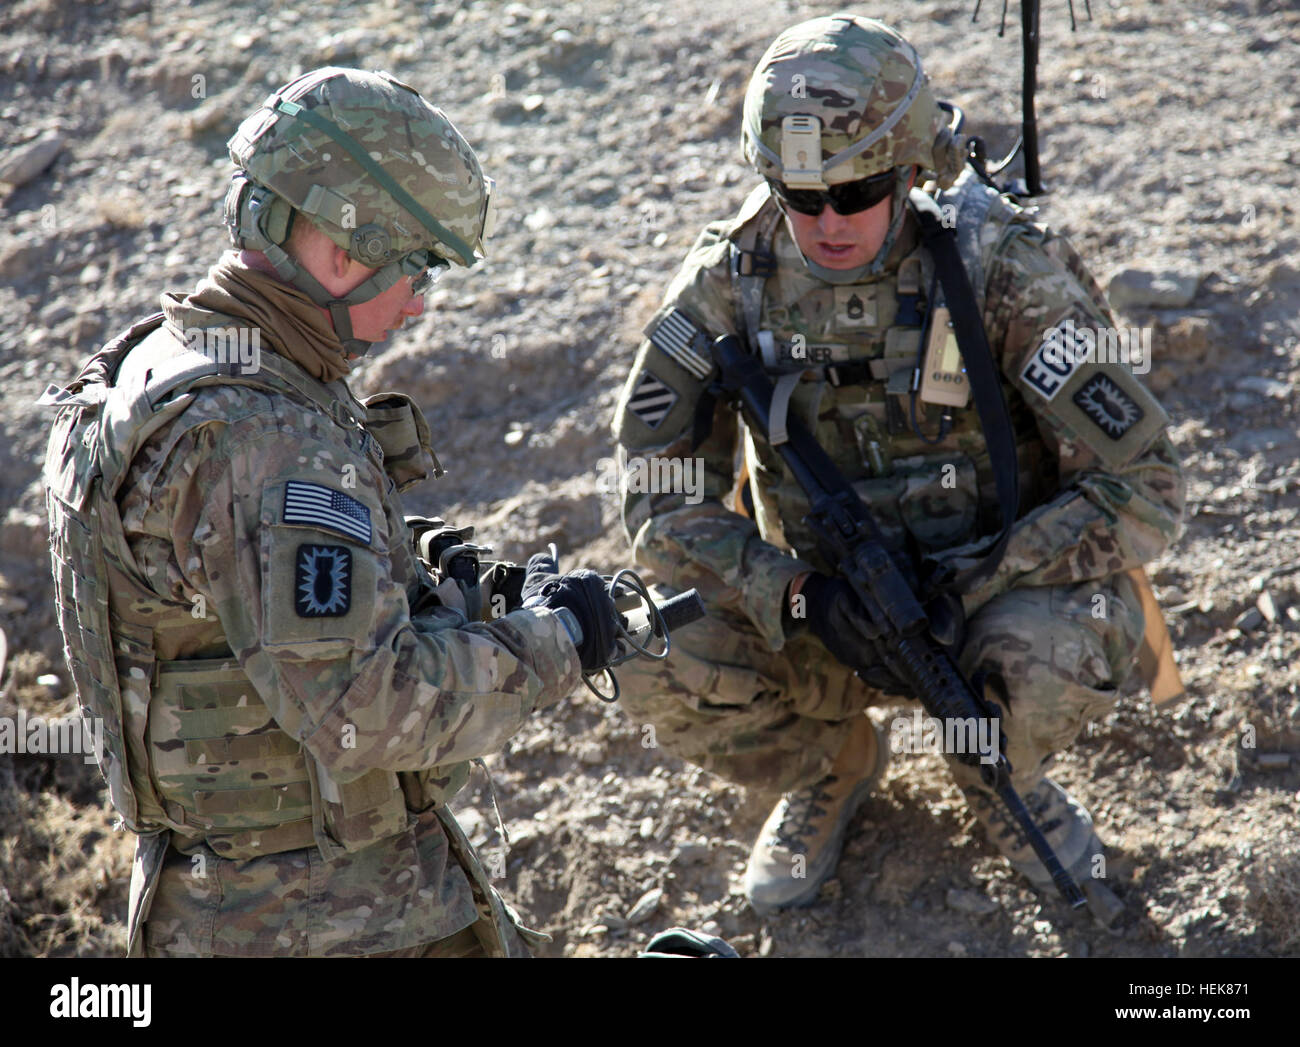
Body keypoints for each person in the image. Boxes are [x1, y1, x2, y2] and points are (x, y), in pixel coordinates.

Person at [612, 16, 1184, 917]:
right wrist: (792, 591)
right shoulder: (728, 284)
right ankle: (834, 763)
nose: (827, 221)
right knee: (646, 647)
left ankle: (995, 767)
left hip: (988, 607)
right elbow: (655, 492)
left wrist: (982, 575)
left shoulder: (998, 269)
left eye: (859, 189)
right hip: (817, 614)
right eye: (800, 196)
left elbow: (1144, 486)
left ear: (913, 169)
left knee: (1053, 654)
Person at [41, 67, 620, 957]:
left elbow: (214, 597)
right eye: (417, 265)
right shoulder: (262, 436)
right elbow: (368, 710)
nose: (422, 299)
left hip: (222, 899)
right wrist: (559, 642)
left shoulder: (154, 366)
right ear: (343, 252)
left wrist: (421, 572)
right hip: (327, 917)